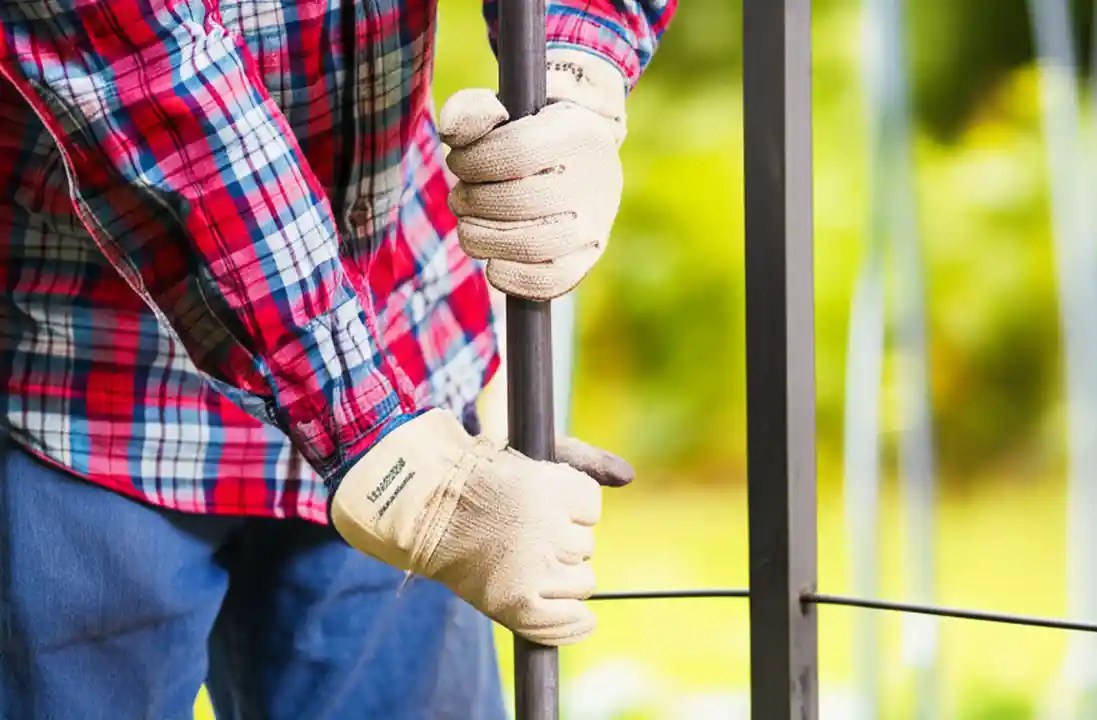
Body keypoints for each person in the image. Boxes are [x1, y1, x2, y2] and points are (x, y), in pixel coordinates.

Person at [0, 0, 675, 714]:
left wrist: (574, 75)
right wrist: (423, 490)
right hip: (78, 385)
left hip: (402, 340)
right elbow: (155, 93)